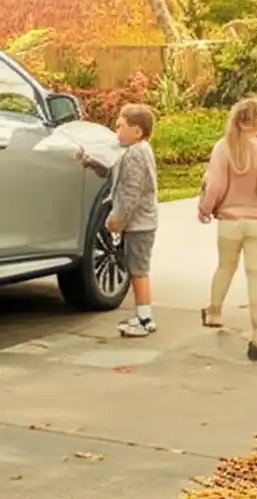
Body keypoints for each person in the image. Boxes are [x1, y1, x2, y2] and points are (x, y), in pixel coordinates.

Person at [196, 98, 257, 362]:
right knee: (256, 276)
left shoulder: (222, 148)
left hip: (229, 222)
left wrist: (206, 208)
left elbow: (214, 185)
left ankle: (214, 312)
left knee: (225, 267)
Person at [80, 104, 159, 338]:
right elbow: (114, 171)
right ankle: (143, 316)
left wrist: (117, 220)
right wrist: (91, 163)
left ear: (137, 131)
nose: (117, 132)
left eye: (121, 127)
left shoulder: (135, 153)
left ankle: (145, 319)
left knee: (138, 270)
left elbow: (130, 192)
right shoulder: (137, 150)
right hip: (141, 223)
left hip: (139, 224)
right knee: (137, 269)